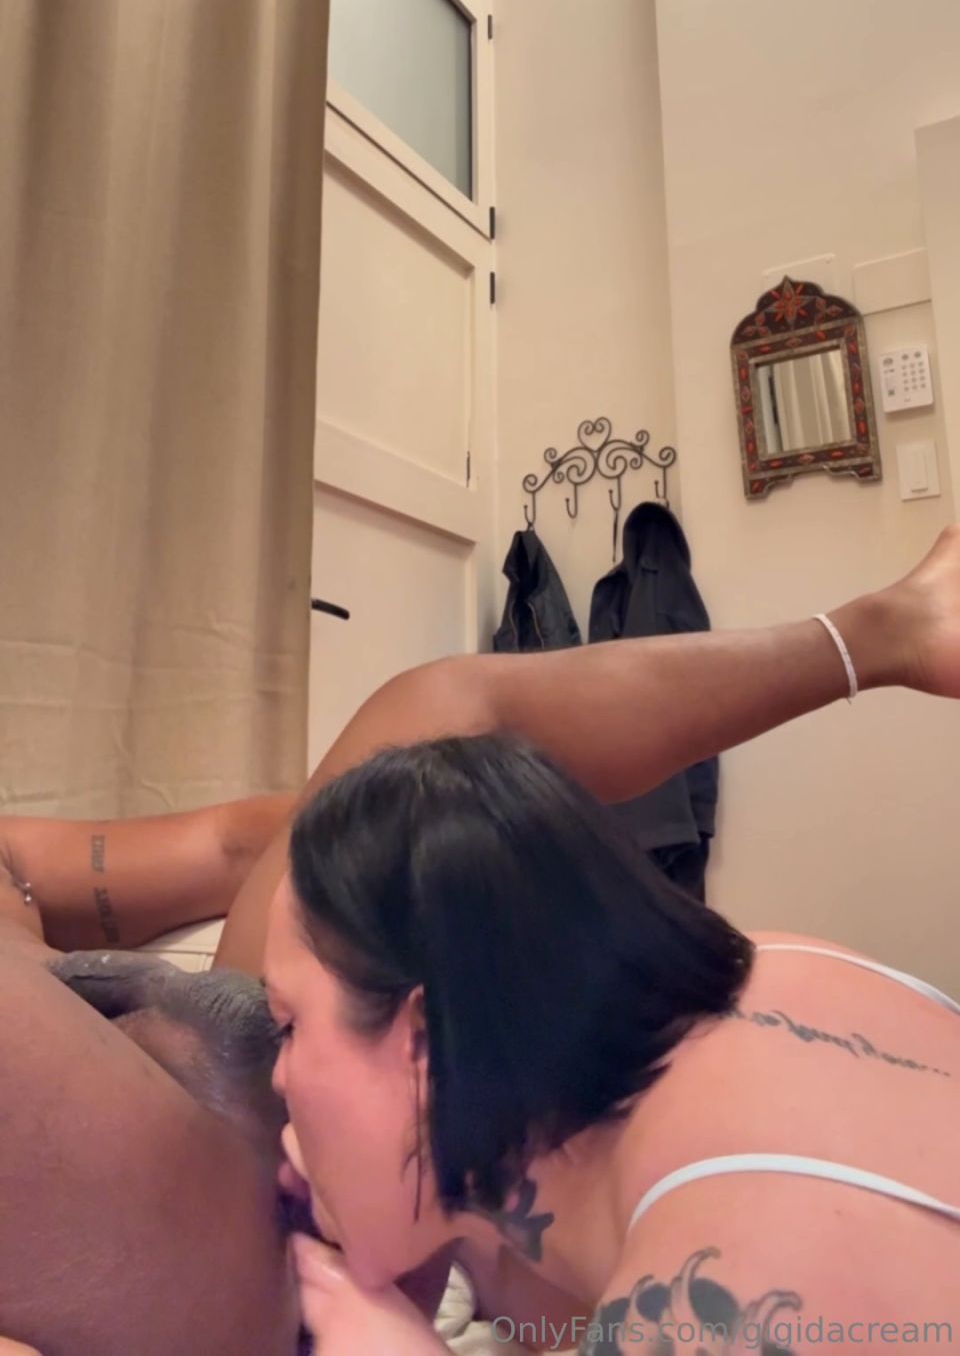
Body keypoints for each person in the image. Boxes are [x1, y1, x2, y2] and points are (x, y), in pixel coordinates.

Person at [3, 527, 960, 1352]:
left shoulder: (706, 1302)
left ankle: (886, 631)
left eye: (287, 1028)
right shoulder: (771, 968)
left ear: (428, 1039)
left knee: (428, 711)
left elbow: (233, 849)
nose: (279, 1067)